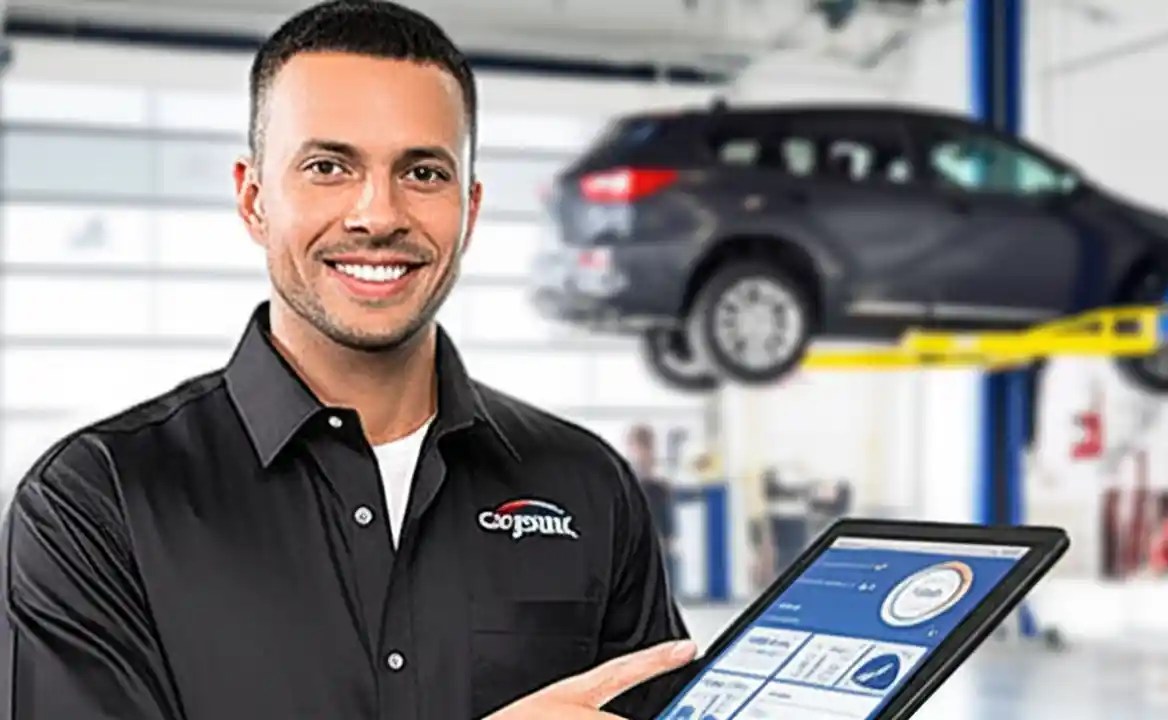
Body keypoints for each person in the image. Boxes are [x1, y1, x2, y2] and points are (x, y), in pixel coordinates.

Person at [0, 2, 697, 718]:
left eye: (423, 173)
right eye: (328, 166)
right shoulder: (96, 504)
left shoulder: (588, 487)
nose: (378, 214)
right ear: (253, 199)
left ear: (470, 209)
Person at [624, 425, 676, 578]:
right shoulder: (627, 481)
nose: (643, 453)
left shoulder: (660, 485)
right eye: (638, 447)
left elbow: (667, 524)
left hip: (658, 547)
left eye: (647, 447)